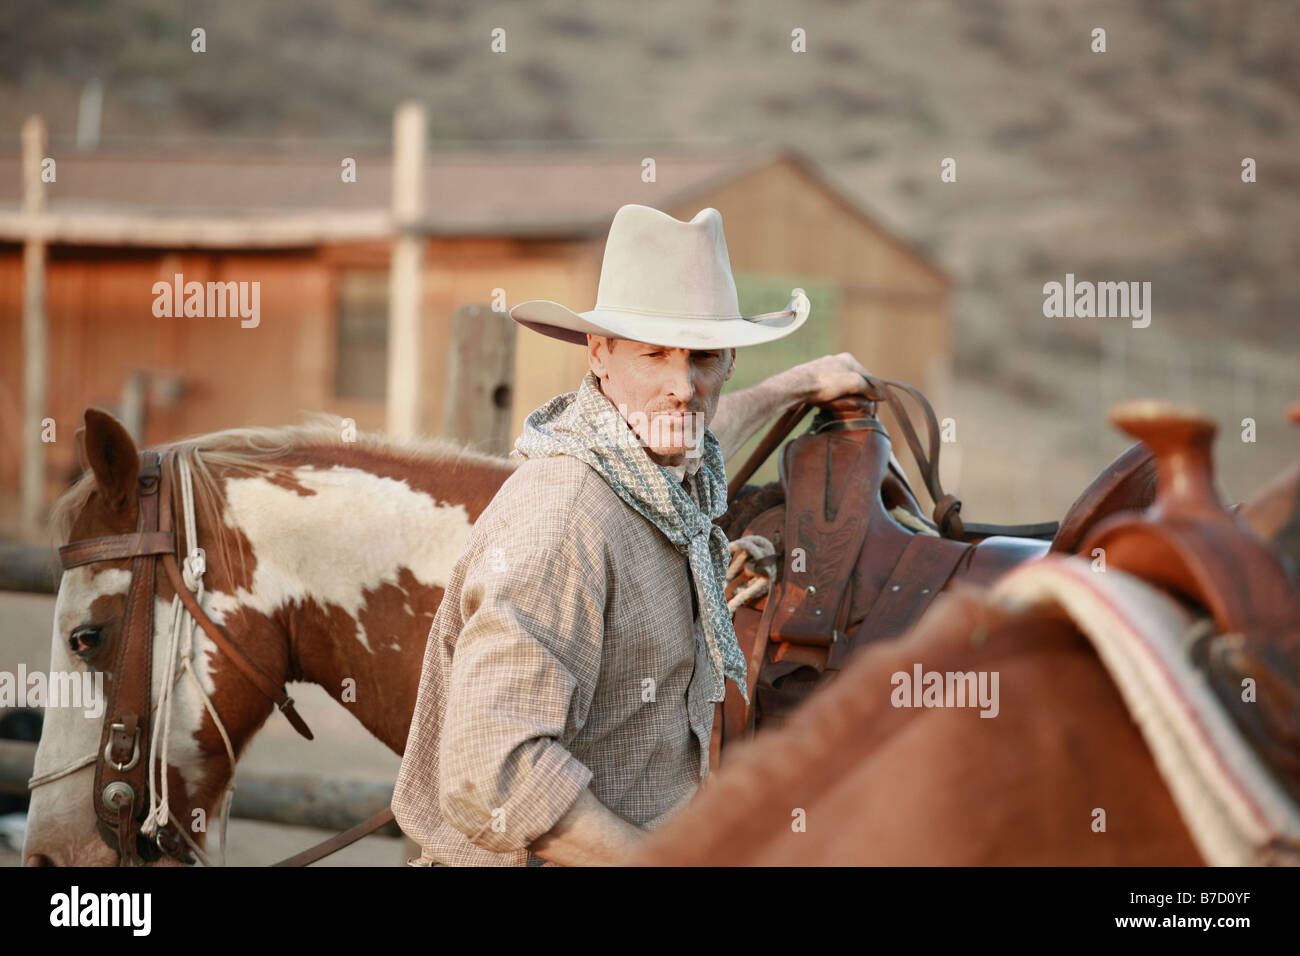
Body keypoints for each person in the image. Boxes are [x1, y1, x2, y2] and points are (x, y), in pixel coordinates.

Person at [391, 204, 871, 865]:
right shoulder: (563, 518)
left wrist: (799, 386)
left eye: (703, 357)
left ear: (729, 360)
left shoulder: (655, 463)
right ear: (600, 353)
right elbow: (491, 776)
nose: (682, 386)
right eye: (654, 354)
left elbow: (699, 425)